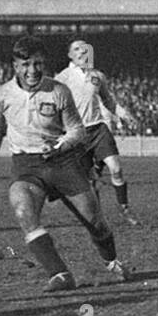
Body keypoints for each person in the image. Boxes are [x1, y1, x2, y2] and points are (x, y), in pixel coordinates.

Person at [0, 36, 131, 290]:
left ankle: (112, 261)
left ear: (44, 63)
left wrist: (58, 145)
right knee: (23, 211)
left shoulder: (58, 91)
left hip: (64, 163)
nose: (32, 70)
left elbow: (77, 131)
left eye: (37, 64)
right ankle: (59, 274)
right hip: (27, 165)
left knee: (95, 222)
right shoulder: (1, 96)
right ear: (15, 65)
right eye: (25, 64)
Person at [53, 40, 141, 226]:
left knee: (116, 168)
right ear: (69, 55)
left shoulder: (97, 76)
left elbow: (109, 101)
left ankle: (125, 209)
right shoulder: (62, 78)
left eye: (85, 49)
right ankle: (97, 217)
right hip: (77, 134)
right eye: (77, 49)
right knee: (91, 180)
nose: (82, 52)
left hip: (98, 129)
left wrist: (125, 115)